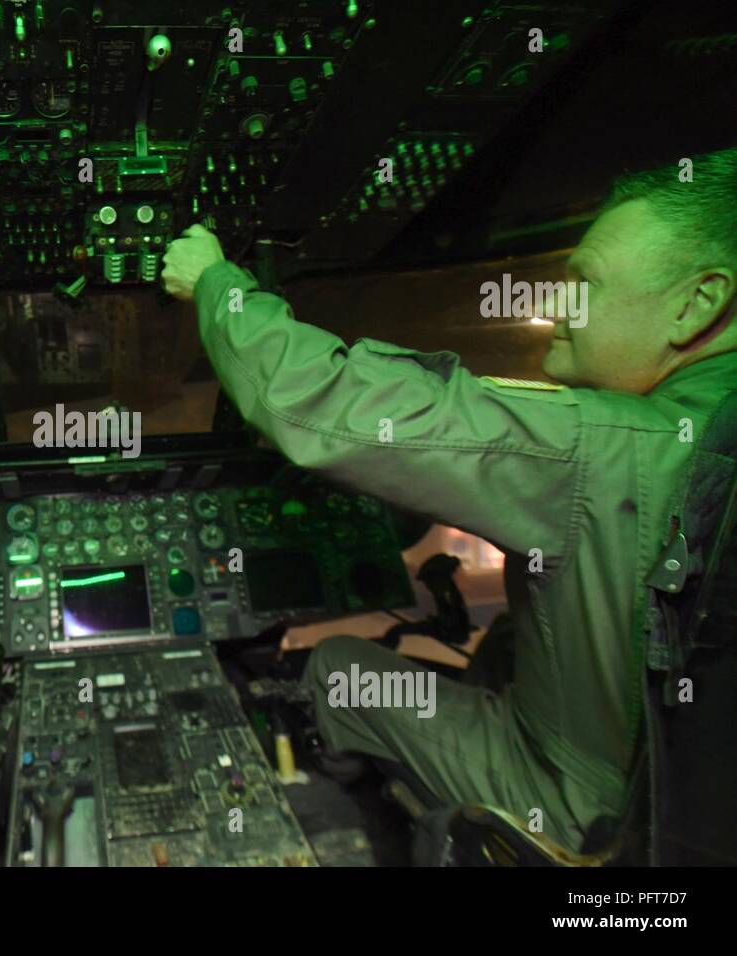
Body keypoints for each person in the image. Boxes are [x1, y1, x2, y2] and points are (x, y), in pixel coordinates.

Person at [161, 148, 737, 852]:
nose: (558, 306)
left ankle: (347, 802)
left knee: (342, 668)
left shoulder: (613, 443)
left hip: (584, 814)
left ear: (698, 303)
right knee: (502, 644)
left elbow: (323, 403)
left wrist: (217, 282)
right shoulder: (700, 435)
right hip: (658, 794)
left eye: (584, 285)